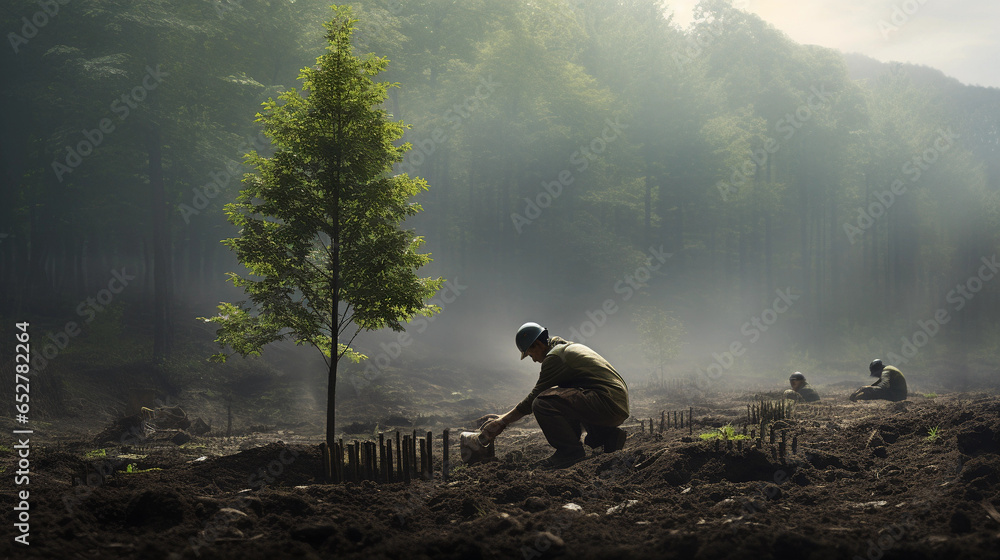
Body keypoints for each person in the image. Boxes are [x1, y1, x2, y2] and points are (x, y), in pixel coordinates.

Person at [481, 322, 630, 469]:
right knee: (564, 395)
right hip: (615, 404)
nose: (533, 360)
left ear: (538, 345)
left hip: (606, 403)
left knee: (542, 403)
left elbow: (533, 398)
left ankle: (569, 452)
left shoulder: (555, 358)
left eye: (531, 354)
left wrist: (502, 421)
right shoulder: (565, 348)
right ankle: (606, 436)